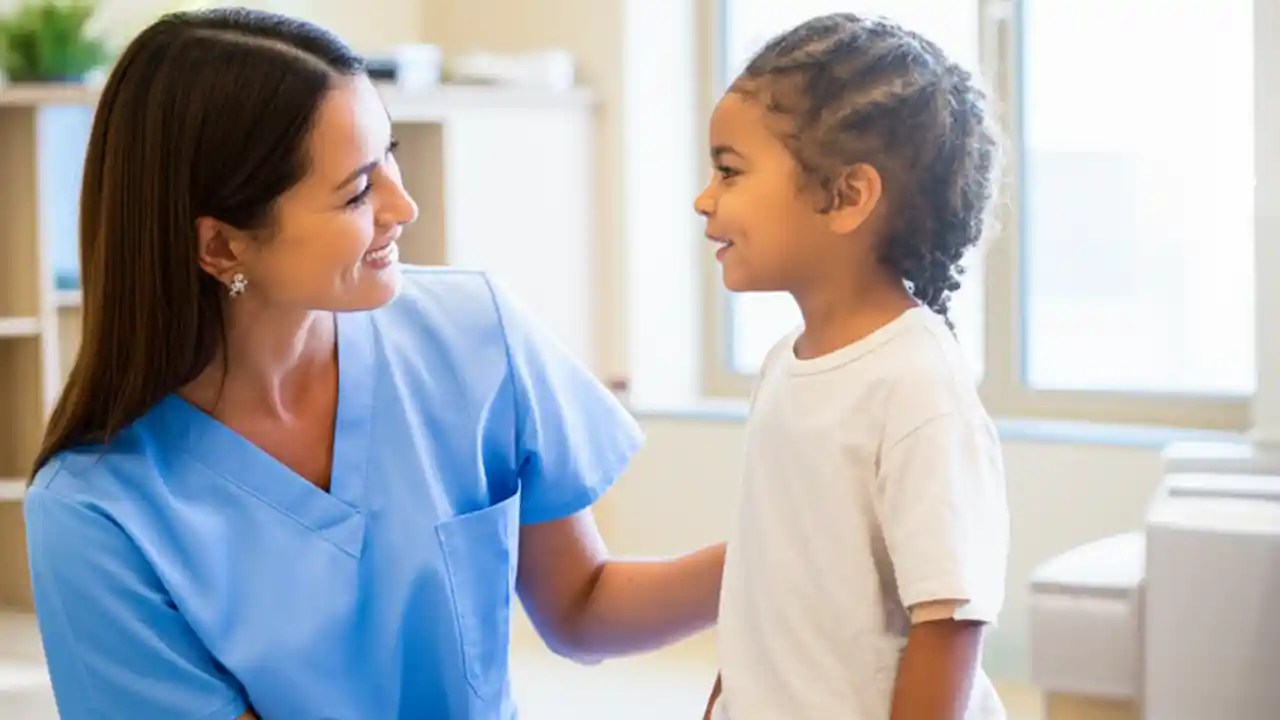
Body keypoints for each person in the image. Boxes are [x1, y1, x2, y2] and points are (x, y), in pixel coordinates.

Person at [23, 8, 724, 719]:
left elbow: (582, 606)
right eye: (357, 191)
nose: (403, 204)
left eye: (388, 155)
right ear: (223, 248)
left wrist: (785, 556)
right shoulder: (95, 514)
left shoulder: (475, 333)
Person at [695, 13, 1009, 720]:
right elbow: (760, 593)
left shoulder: (916, 385)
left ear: (847, 197)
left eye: (729, 171)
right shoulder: (785, 367)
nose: (704, 198)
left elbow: (950, 616)